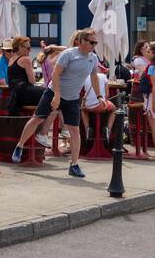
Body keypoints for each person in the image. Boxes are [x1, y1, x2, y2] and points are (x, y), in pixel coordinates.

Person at [11, 28, 98, 177]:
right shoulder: (68, 54)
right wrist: (56, 95)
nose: (94, 45)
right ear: (82, 41)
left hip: (72, 98)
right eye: (91, 42)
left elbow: (94, 76)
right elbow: (55, 74)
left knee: (75, 131)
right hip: (53, 91)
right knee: (37, 118)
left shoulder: (93, 58)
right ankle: (20, 146)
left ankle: (74, 165)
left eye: (95, 42)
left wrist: (100, 95)